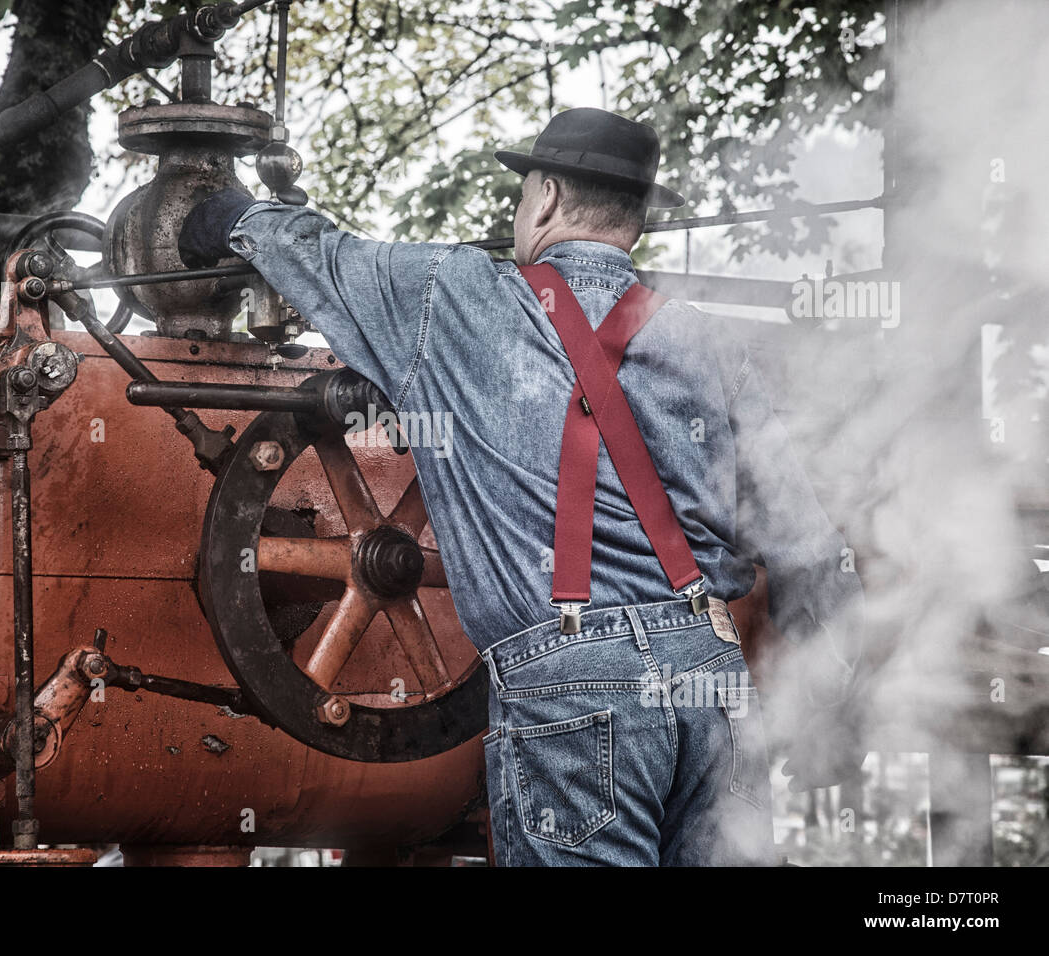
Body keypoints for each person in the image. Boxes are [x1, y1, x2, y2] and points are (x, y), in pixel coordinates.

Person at [177, 107, 865, 866]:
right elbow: (808, 547)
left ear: (545, 197)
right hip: (713, 680)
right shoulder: (707, 341)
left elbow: (312, 252)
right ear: (635, 219)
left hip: (572, 687)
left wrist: (215, 216)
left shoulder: (449, 298)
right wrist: (833, 708)